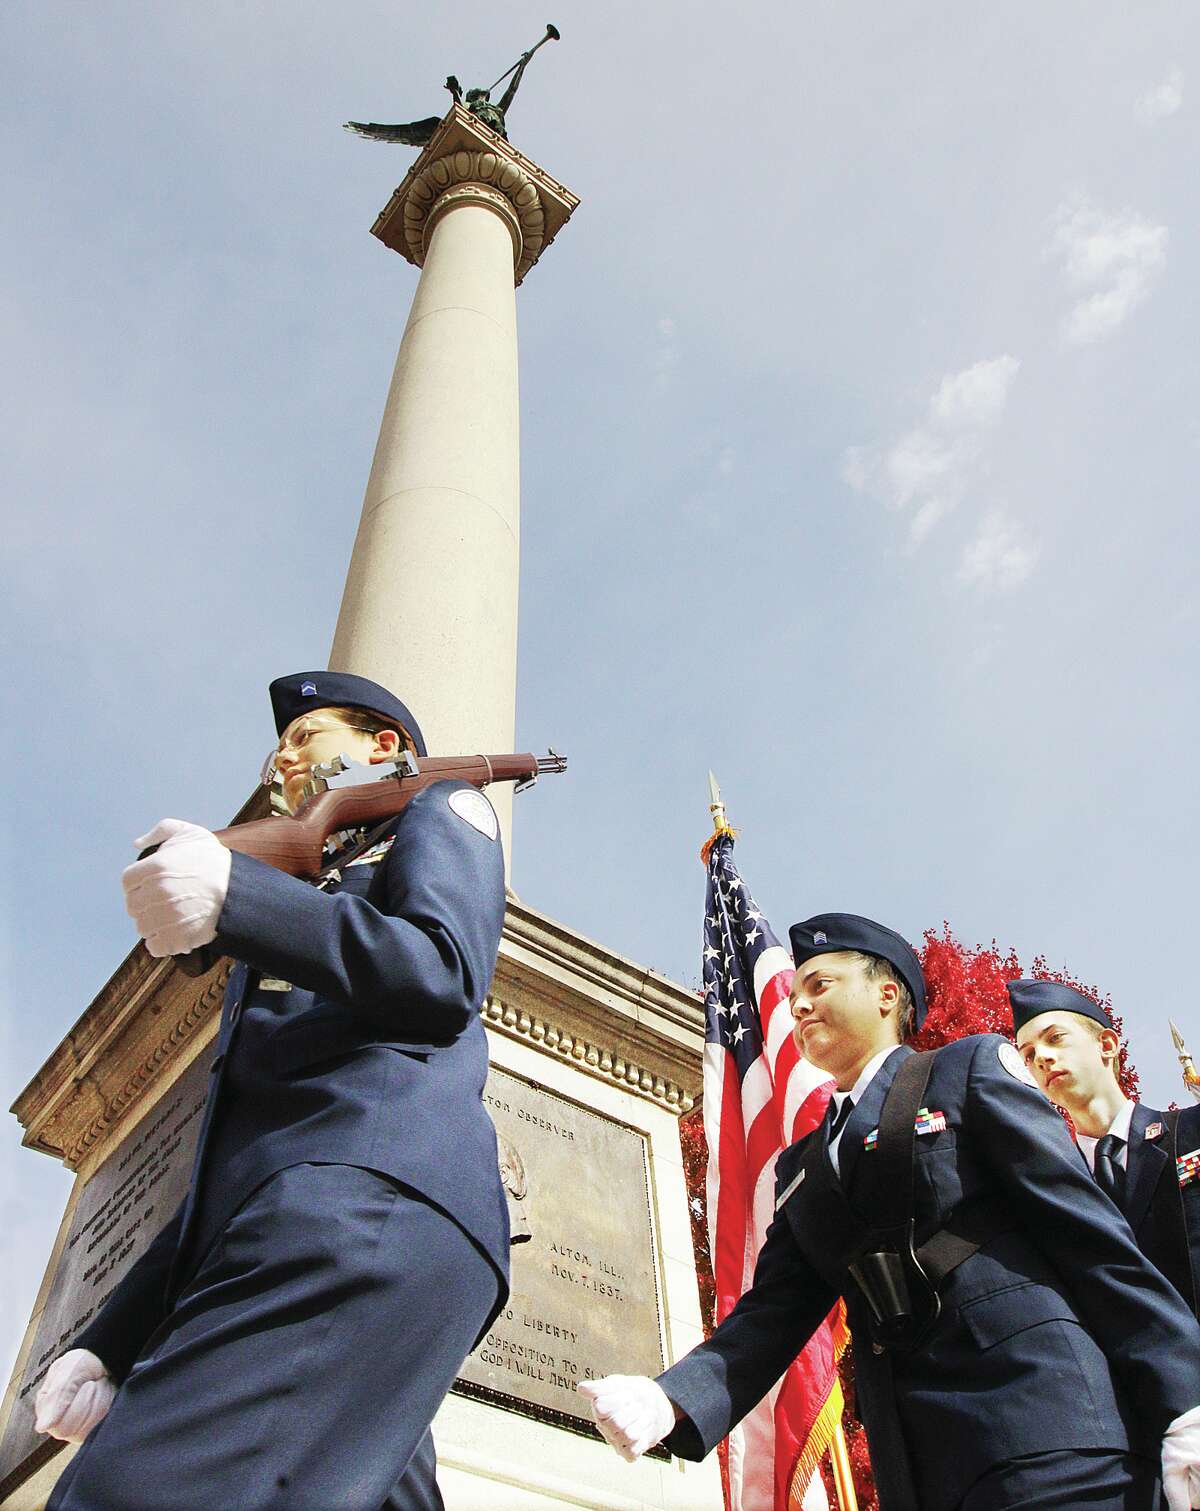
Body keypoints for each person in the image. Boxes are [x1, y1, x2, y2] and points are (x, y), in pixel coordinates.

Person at [34, 670, 510, 1511]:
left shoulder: (440, 812)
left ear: (385, 747)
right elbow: (241, 1158)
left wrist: (239, 894)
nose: (282, 759)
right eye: (276, 748)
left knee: (130, 1492)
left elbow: (444, 972)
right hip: (323, 1222)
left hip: (362, 1211)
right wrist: (109, 1340)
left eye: (306, 735)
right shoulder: (296, 890)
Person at [580, 913, 1200, 1511]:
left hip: (1047, 1431)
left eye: (819, 985)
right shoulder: (802, 1167)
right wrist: (671, 1399)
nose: (797, 1006)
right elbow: (771, 1314)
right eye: (794, 994)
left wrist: (1184, 1401)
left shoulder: (967, 1070)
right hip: (921, 1464)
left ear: (885, 994)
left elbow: (1087, 1234)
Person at [1011, 976, 1200, 1316]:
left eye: (1055, 1038)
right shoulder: (1054, 1190)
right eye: (1028, 1055)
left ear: (1107, 1044)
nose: (1041, 1057)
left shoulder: (1191, 1132)